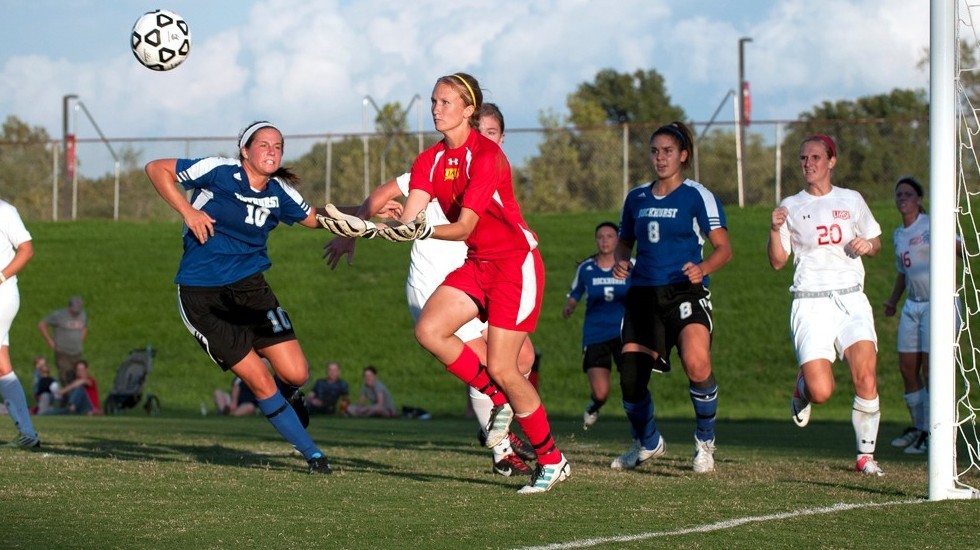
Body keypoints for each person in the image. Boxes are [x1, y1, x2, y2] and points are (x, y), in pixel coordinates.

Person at [321, 74, 568, 493]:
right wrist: (368, 226)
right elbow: (408, 218)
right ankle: (500, 399)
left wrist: (415, 230)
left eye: (446, 102)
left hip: (513, 264)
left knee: (508, 366)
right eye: (434, 101)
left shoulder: (487, 156)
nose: (437, 108)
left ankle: (552, 459)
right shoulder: (429, 160)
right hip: (478, 263)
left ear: (469, 109)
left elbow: (463, 225)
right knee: (429, 330)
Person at [144, 120, 336, 474]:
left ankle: (290, 394)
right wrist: (188, 211)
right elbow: (156, 169)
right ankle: (313, 455)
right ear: (245, 150)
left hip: (251, 289)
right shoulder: (219, 170)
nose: (272, 151)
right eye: (263, 144)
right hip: (203, 296)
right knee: (259, 380)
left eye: (278, 146)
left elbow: (318, 218)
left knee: (296, 373)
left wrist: (366, 212)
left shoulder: (279, 192)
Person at [610, 121, 732, 474]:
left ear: (683, 155)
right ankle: (648, 443)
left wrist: (703, 266)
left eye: (667, 151)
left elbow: (724, 248)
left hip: (684, 291)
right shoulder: (636, 198)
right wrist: (620, 263)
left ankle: (704, 442)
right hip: (643, 295)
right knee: (631, 380)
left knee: (697, 363)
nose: (660, 158)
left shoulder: (697, 195)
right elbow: (624, 243)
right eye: (654, 151)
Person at [768, 134, 885, 477]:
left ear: (831, 161)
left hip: (850, 297)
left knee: (865, 374)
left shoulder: (852, 199)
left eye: (816, 157)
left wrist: (868, 245)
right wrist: (774, 229)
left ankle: (865, 456)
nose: (809, 164)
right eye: (804, 158)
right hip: (810, 303)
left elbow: (875, 241)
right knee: (822, 392)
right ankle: (803, 386)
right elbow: (777, 262)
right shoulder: (790, 205)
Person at [883, 176, 945, 455]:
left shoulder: (933, 224)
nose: (903, 198)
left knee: (932, 371)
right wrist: (893, 301)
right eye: (898, 194)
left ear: (919, 199)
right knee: (908, 368)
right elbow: (902, 271)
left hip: (937, 303)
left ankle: (936, 431)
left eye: (908, 194)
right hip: (913, 305)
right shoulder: (899, 234)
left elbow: (958, 250)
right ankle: (919, 427)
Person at [562, 221, 630, 431]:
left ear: (617, 240)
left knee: (631, 384)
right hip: (595, 334)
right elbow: (575, 293)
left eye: (609, 236)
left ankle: (641, 430)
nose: (604, 241)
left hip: (624, 334)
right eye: (600, 237)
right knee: (601, 392)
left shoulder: (630, 265)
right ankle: (595, 404)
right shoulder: (587, 268)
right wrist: (570, 306)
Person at [0, 197, 41, 449]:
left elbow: (26, 248)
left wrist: (1, 276)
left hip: (2, 294)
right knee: (2, 366)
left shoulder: (4, 210)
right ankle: (27, 433)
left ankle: (28, 432)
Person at [38, 295, 88, 390]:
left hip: (77, 352)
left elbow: (85, 327)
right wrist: (49, 340)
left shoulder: (83, 315)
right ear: (69, 307)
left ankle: (73, 399)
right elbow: (42, 324)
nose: (75, 313)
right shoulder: (59, 315)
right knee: (66, 376)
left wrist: (81, 339)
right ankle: (67, 398)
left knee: (77, 376)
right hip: (63, 352)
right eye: (74, 311)